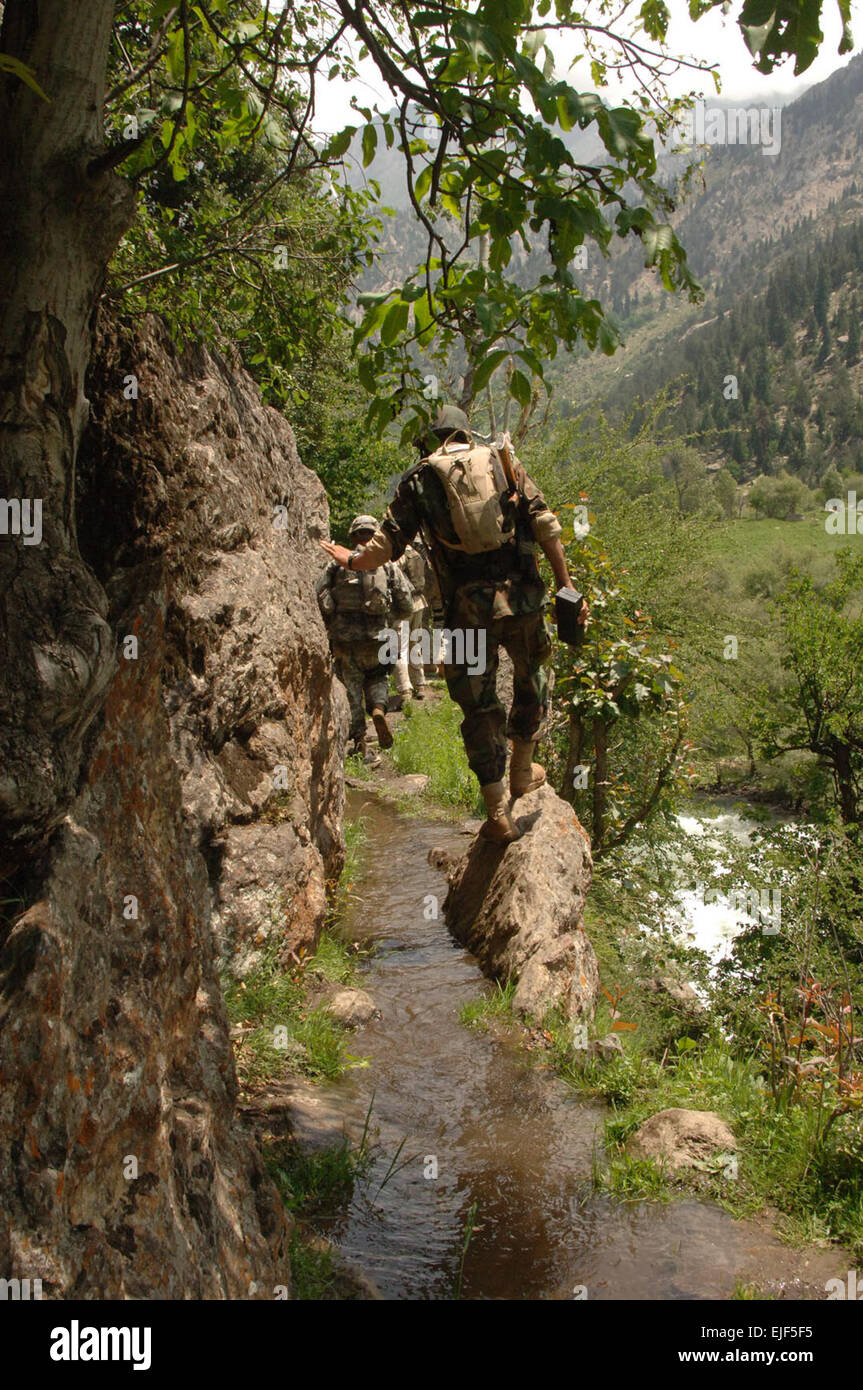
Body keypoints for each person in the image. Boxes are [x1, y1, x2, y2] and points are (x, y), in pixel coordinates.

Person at [319, 406, 588, 841]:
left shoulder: (420, 479)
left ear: (430, 441)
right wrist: (567, 587)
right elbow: (546, 526)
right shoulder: (503, 462)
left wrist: (349, 558)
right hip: (523, 601)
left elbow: (383, 546)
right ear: (466, 432)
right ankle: (523, 770)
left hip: (465, 614)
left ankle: (498, 810)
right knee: (533, 674)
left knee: (478, 702)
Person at [316, 514, 413, 760]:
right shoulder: (387, 565)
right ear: (375, 536)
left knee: (351, 690)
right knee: (378, 678)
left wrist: (331, 620)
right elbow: (406, 603)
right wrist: (390, 621)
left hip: (346, 641)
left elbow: (319, 593)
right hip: (379, 637)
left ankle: (360, 742)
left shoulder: (337, 564)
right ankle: (379, 709)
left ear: (352, 537)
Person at [393, 539, 431, 703]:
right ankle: (420, 684)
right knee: (414, 645)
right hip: (419, 602)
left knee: (398, 647)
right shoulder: (416, 555)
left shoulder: (399, 556)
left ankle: (405, 689)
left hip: (403, 606)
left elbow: (392, 574)